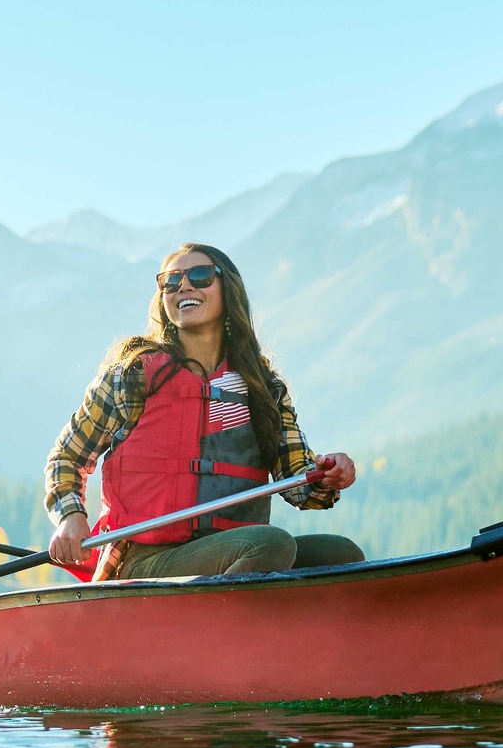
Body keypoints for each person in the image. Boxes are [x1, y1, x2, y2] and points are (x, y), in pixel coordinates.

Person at [45, 244, 362, 581]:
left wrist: (327, 476)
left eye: (200, 276)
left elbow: (299, 483)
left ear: (229, 290)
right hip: (145, 562)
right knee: (270, 544)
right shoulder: (132, 374)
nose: (184, 286)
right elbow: (67, 457)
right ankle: (217, 628)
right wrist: (70, 517)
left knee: (341, 554)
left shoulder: (262, 387)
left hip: (235, 550)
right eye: (171, 281)